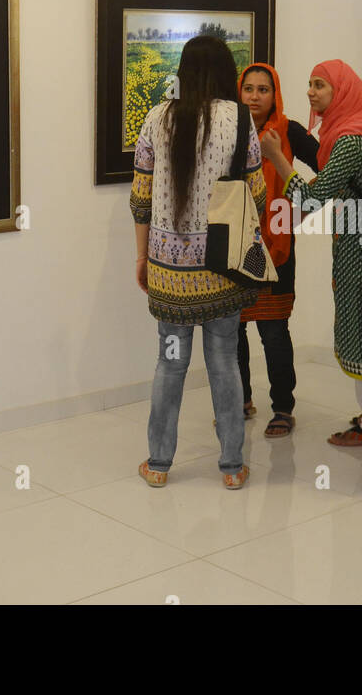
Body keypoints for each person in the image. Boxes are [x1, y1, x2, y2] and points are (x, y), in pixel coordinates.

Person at [130, 35, 265, 490]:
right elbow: (259, 195)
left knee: (170, 362)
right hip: (222, 265)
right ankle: (231, 467)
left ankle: (159, 464)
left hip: (168, 270)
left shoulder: (155, 118)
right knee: (224, 360)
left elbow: (141, 199)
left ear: (183, 72)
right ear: (226, 72)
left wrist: (142, 256)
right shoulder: (239, 119)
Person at [259, 59, 362, 446]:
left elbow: (313, 199)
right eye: (310, 84)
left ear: (342, 92)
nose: (312, 92)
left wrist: (279, 157)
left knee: (361, 330)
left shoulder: (349, 140)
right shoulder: (358, 132)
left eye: (321, 86)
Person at [232, 63, 319, 438]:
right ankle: (240, 400)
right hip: (234, 243)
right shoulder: (227, 129)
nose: (254, 96)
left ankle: (282, 407)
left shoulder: (289, 131)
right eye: (248, 88)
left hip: (277, 245)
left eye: (263, 89)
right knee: (232, 330)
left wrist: (298, 208)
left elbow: (329, 169)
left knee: (273, 331)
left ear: (275, 94)